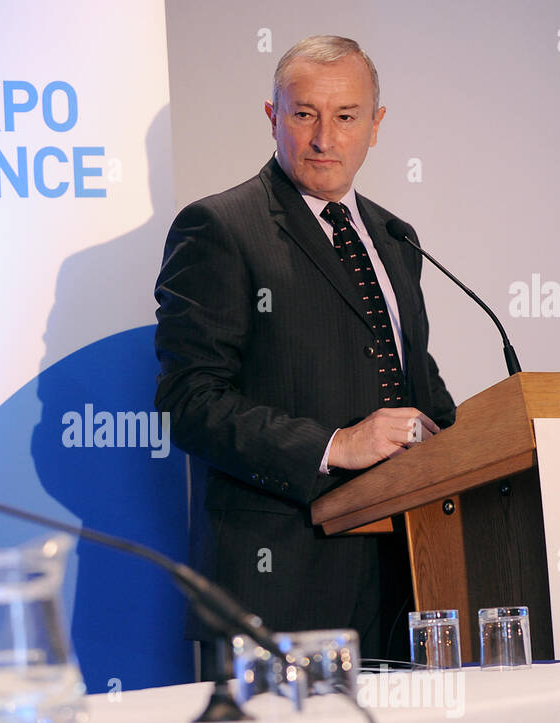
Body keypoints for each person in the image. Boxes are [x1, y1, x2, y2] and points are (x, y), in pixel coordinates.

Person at [154, 36, 457, 669]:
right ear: (272, 118)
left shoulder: (396, 238)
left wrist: (479, 438)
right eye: (303, 114)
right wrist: (334, 445)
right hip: (278, 585)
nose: (325, 138)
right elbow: (188, 401)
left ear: (375, 126)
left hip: (408, 574)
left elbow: (415, 384)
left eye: (346, 116)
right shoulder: (220, 229)